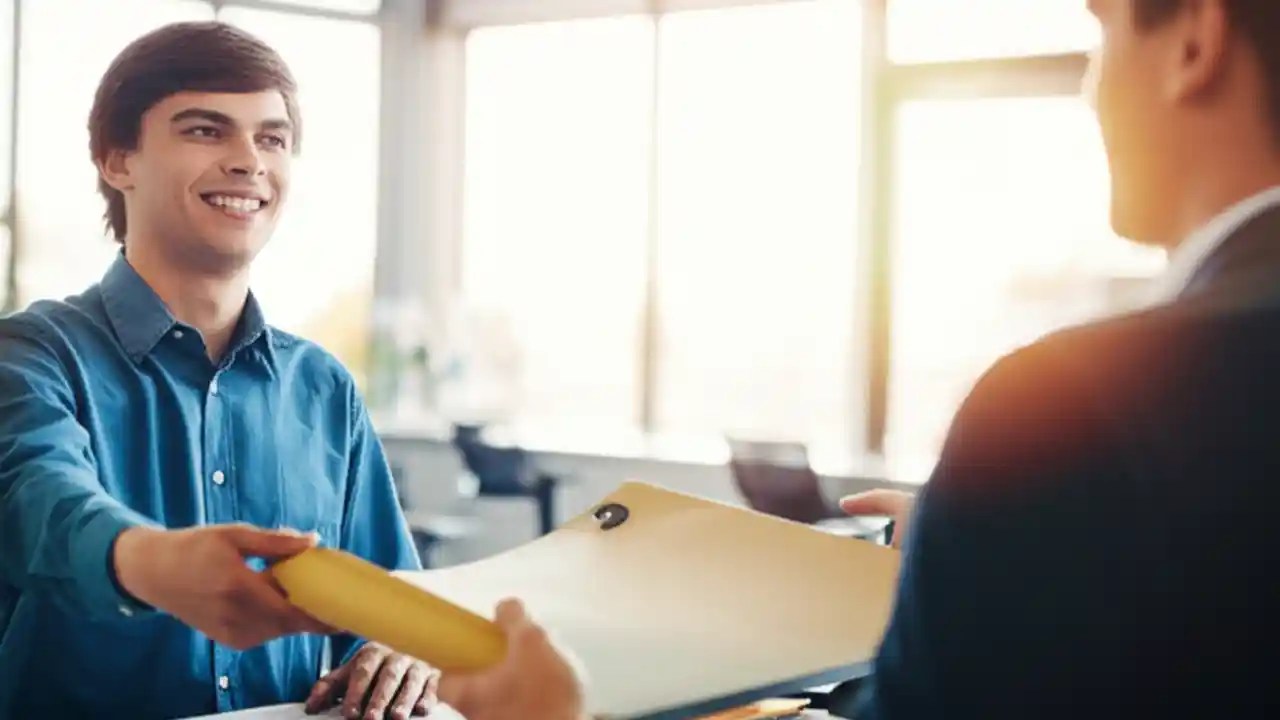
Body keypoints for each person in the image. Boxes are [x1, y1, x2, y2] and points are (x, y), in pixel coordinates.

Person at [436, 0, 1280, 717]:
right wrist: (980, 550)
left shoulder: (1069, 408)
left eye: (1103, 34)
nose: (1090, 93)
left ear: (1195, 44)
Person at [0, 22, 436, 720]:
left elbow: (395, 604)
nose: (248, 162)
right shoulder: (30, 356)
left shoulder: (324, 389)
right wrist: (155, 566)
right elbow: (39, 505)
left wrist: (400, 651)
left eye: (271, 138)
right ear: (118, 160)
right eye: (206, 130)